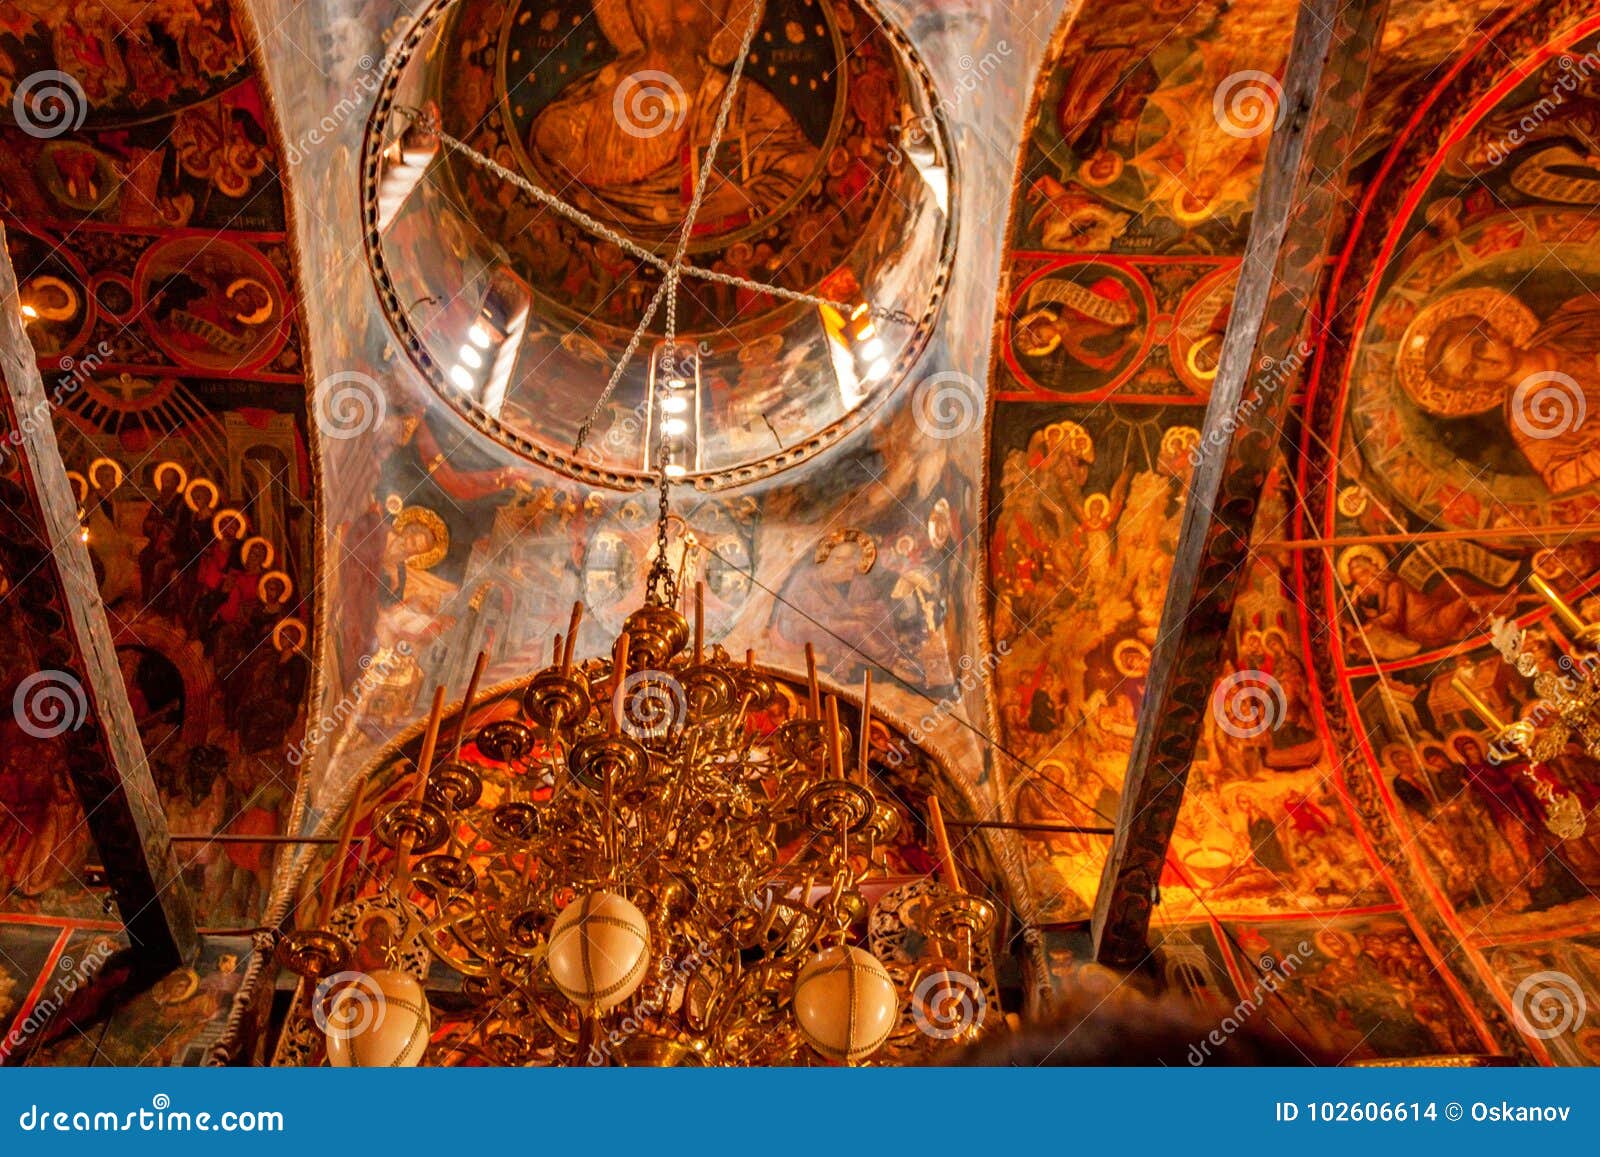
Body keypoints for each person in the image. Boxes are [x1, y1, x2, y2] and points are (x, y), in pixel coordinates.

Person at [529, 0, 817, 235]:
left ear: (717, 17)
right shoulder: (594, 94)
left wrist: (747, 199)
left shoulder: (744, 102)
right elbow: (549, 154)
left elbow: (803, 169)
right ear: (634, 10)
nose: (670, 10)